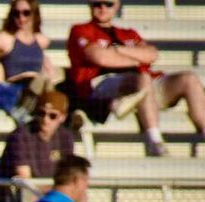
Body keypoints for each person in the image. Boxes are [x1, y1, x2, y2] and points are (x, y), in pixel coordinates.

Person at [67, 0, 205, 156]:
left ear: (117, 5)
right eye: (97, 4)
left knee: (189, 79)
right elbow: (100, 58)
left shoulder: (128, 33)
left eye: (108, 4)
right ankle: (155, 141)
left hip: (143, 85)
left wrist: (116, 49)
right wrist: (135, 57)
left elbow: (152, 54)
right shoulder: (81, 30)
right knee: (142, 78)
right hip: (103, 83)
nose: (103, 8)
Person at [0, 0, 61, 116]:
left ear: (34, 14)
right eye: (16, 13)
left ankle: (27, 110)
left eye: (26, 13)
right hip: (16, 87)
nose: (21, 17)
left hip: (38, 87)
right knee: (43, 84)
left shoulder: (41, 40)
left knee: (47, 83)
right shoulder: (5, 38)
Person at [0, 90, 77, 179]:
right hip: (16, 190)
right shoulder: (20, 137)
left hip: (51, 189)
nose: (45, 119)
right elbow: (25, 179)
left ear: (63, 117)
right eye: (41, 113)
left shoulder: (65, 138)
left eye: (52, 116)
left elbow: (66, 175)